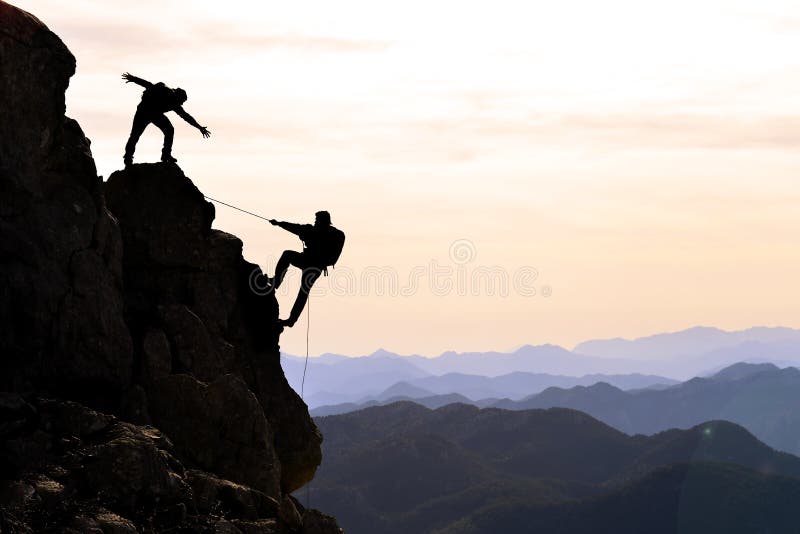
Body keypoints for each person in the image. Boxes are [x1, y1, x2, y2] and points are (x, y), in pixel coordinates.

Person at [269, 211, 345, 328]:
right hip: (313, 264)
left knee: (302, 290)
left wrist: (279, 224)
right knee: (303, 291)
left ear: (322, 221)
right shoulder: (331, 233)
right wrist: (279, 223)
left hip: (313, 264)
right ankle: (277, 284)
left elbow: (298, 229)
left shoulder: (326, 233)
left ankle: (290, 317)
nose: (315, 221)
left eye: (317, 219)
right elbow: (295, 227)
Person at [121, 72, 211, 166]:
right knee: (135, 135)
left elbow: (186, 117)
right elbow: (148, 84)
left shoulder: (175, 104)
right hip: (143, 112)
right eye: (182, 101)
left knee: (169, 130)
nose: (181, 104)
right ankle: (128, 158)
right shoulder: (165, 91)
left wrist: (199, 127)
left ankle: (166, 155)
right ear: (178, 97)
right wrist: (133, 79)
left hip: (155, 114)